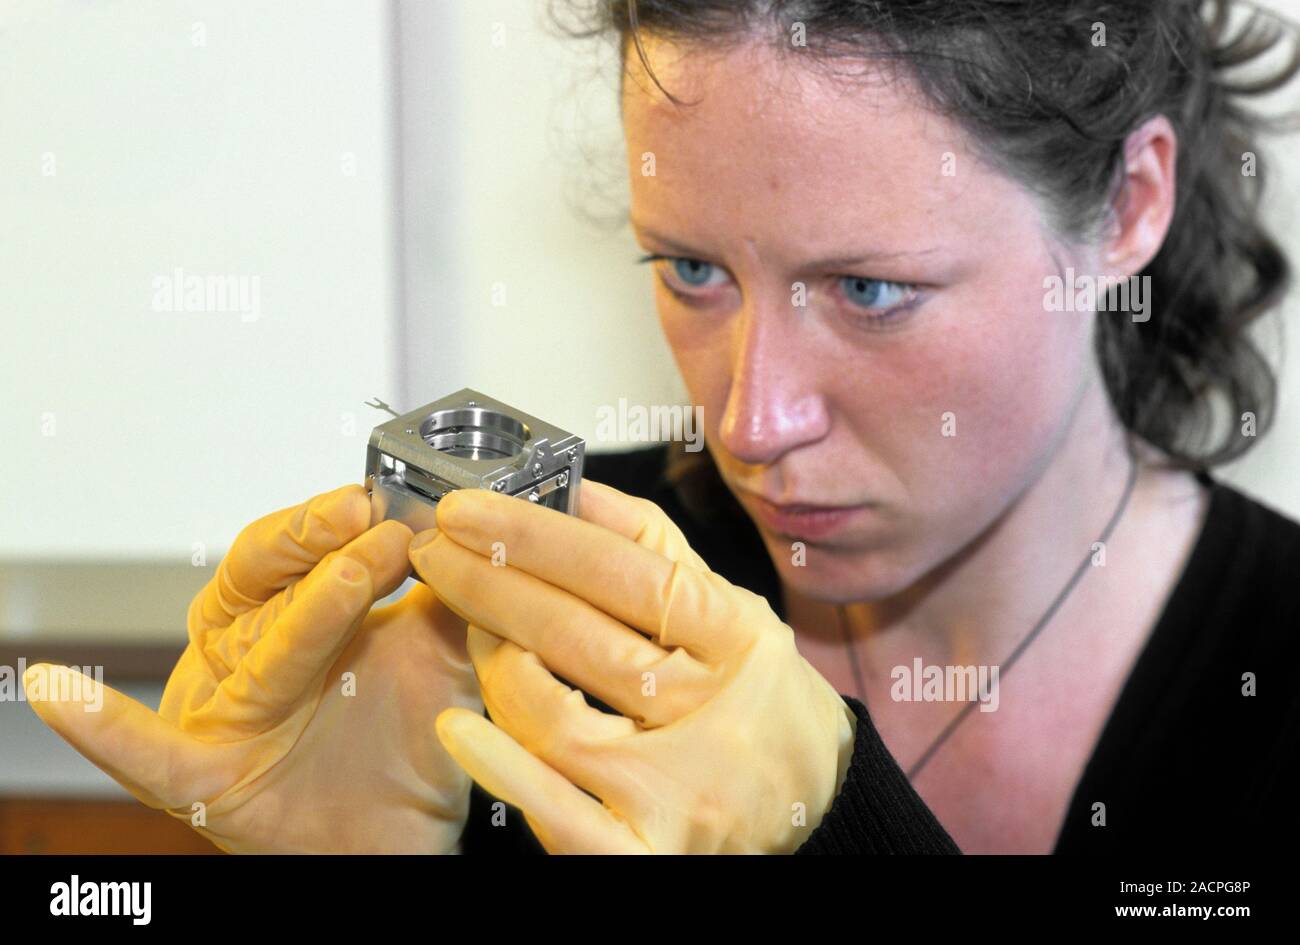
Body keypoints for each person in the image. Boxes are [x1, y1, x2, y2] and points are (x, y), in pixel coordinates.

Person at [22, 0, 1300, 853]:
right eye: (691, 271)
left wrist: (835, 834)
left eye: (870, 291)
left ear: (1128, 205)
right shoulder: (529, 611)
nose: (752, 424)